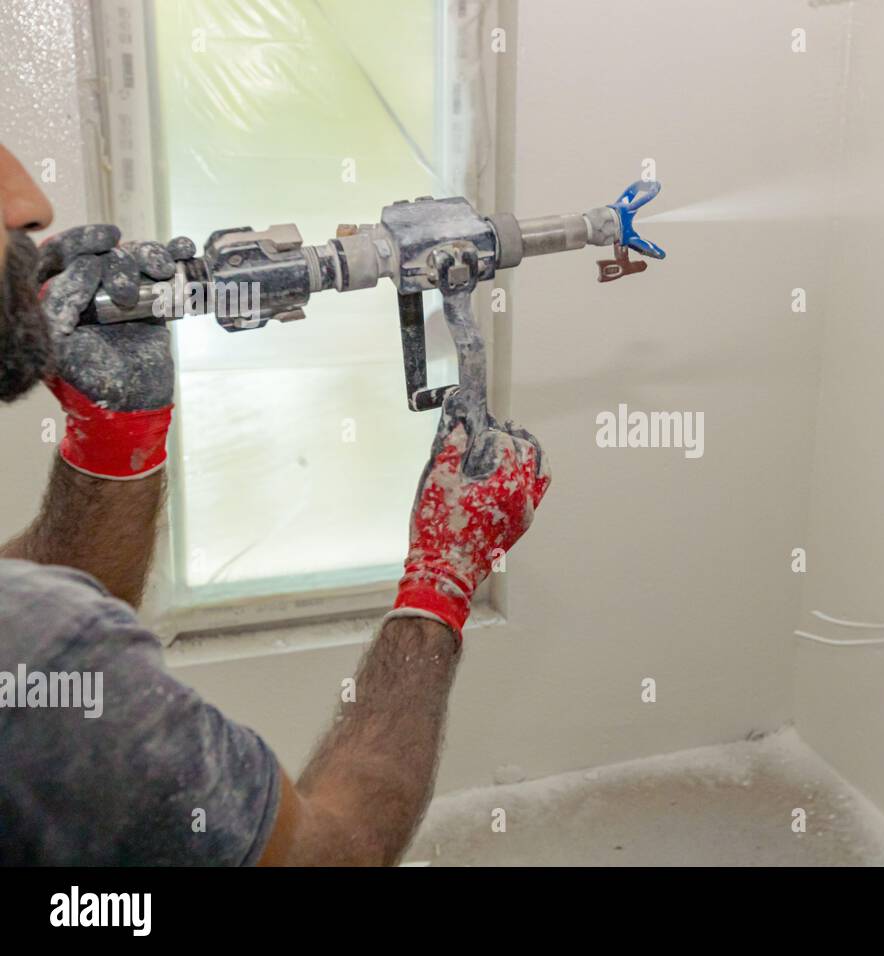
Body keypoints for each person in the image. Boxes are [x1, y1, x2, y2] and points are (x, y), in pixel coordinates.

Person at [0, 143, 550, 865]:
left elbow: (43, 628)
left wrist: (117, 441)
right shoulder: (42, 646)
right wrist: (440, 584)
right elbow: (328, 856)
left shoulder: (36, 642)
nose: (32, 202)